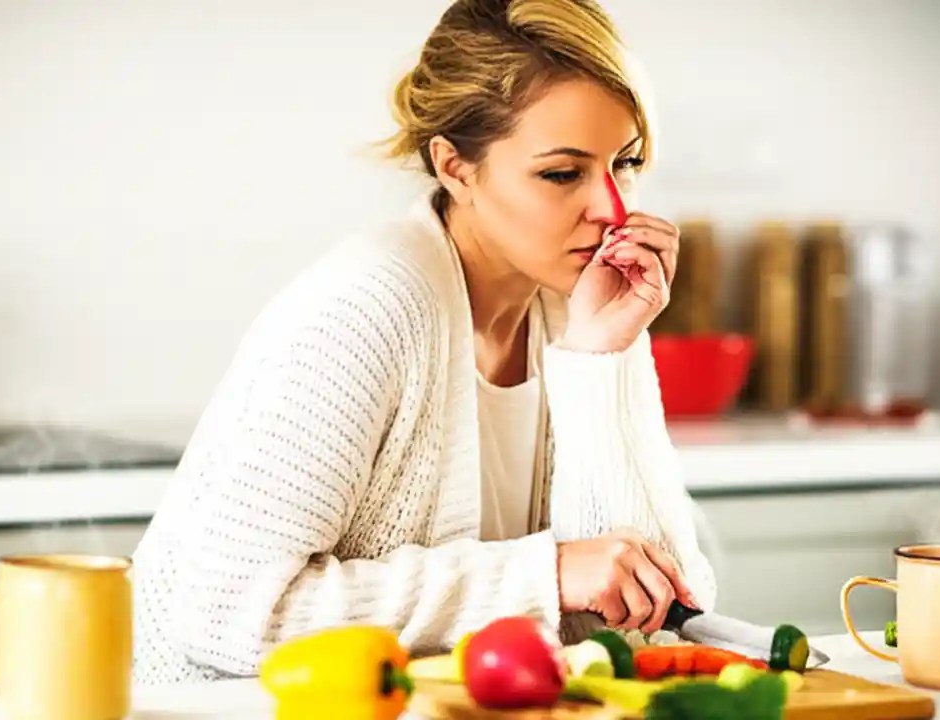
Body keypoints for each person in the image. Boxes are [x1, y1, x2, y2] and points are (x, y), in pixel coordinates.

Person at [131, 0, 716, 684]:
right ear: (454, 167)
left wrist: (599, 360)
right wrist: (544, 573)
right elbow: (229, 616)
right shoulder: (364, 309)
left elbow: (660, 616)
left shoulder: (580, 304)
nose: (613, 210)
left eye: (627, 163)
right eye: (563, 174)